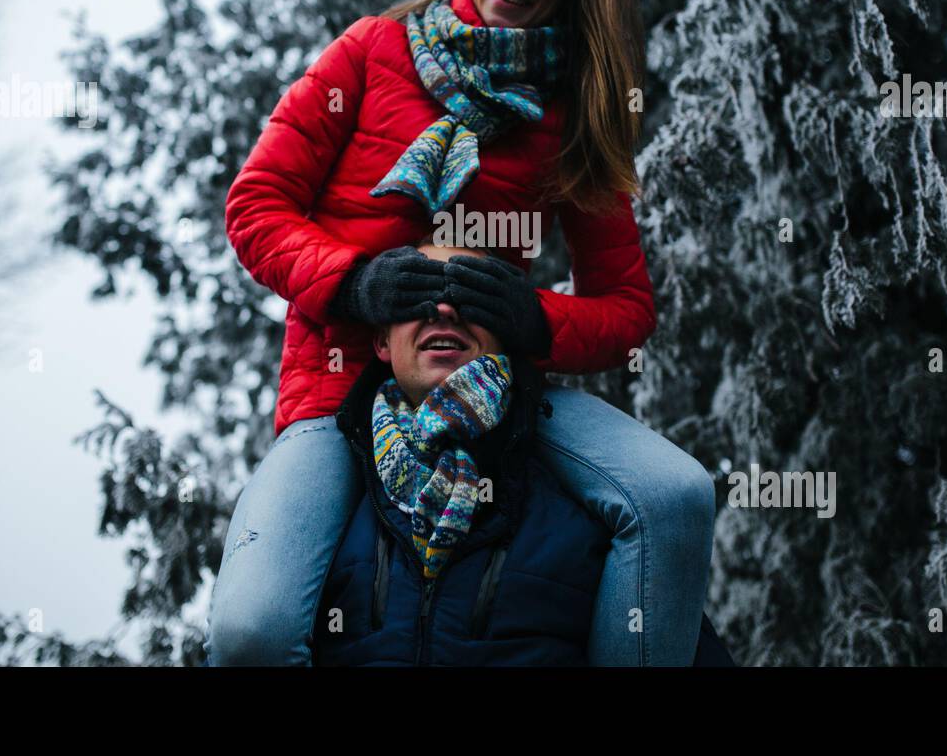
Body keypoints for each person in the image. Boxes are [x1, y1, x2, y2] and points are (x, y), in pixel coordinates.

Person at [209, 0, 715, 667]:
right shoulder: (371, 50)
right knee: (251, 630)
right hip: (340, 385)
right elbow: (256, 205)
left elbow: (626, 309)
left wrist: (532, 317)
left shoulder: (574, 110)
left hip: (498, 387)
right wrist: (353, 281)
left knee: (674, 494)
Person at [306, 241, 733, 666]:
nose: (444, 309)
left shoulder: (602, 507)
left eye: (472, 295)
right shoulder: (320, 509)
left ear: (507, 334)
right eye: (415, 295)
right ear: (381, 341)